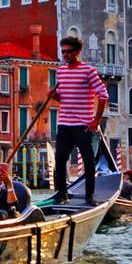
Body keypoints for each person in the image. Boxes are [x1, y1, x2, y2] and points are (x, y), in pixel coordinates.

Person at [49, 36, 109, 205]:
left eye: (68, 51)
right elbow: (66, 99)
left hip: (83, 125)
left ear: (77, 51)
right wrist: (55, 96)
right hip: (64, 124)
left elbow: (103, 95)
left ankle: (89, 196)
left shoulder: (88, 71)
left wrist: (96, 120)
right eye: (63, 52)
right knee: (60, 160)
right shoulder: (60, 71)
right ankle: (62, 194)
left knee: (88, 161)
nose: (65, 55)